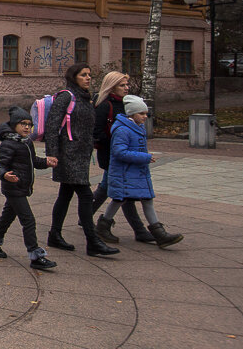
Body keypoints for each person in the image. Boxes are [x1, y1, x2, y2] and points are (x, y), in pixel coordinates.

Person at [44, 63, 120, 257]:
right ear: (73, 78)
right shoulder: (66, 96)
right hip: (67, 154)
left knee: (66, 194)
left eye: (89, 75)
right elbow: (52, 126)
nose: (88, 78)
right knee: (86, 196)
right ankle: (92, 241)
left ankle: (55, 234)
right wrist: (51, 153)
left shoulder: (85, 98)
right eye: (83, 75)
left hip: (81, 154)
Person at [102, 96, 184, 248]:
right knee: (120, 199)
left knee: (146, 199)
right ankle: (103, 225)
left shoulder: (136, 128)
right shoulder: (122, 130)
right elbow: (119, 152)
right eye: (141, 113)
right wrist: (144, 157)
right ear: (132, 114)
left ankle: (159, 233)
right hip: (125, 173)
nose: (145, 117)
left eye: (146, 113)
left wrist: (143, 158)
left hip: (136, 173)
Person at [0, 107, 60, 270]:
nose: (27, 127)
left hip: (21, 186)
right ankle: (35, 255)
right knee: (28, 220)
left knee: (7, 216)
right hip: (13, 187)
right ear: (14, 125)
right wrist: (5, 174)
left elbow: (33, 161)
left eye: (30, 124)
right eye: (23, 124)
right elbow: (0, 165)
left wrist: (46, 162)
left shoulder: (26, 142)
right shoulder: (9, 143)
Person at [91, 71, 154, 244]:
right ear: (112, 87)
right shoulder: (105, 105)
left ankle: (86, 216)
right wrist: (118, 141)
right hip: (113, 155)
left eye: (127, 85)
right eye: (122, 85)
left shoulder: (127, 104)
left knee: (107, 188)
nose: (126, 88)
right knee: (124, 193)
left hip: (124, 155)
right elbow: (97, 133)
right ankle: (139, 230)